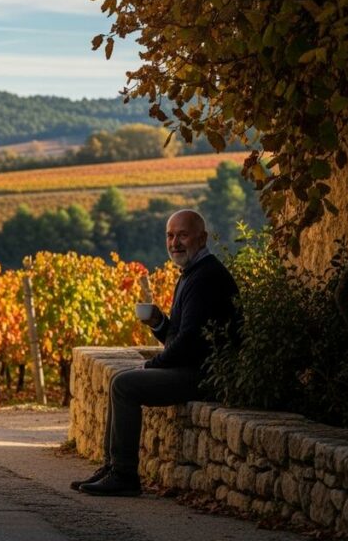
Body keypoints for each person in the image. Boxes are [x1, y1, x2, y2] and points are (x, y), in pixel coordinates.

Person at [72, 209, 239, 496]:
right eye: (170, 235)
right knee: (120, 381)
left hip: (207, 375)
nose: (175, 242)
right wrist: (159, 323)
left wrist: (153, 365)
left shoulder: (205, 277)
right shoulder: (192, 273)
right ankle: (111, 467)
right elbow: (182, 335)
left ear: (202, 238)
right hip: (195, 367)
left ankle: (123, 475)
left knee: (124, 385)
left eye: (182, 235)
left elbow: (190, 343)